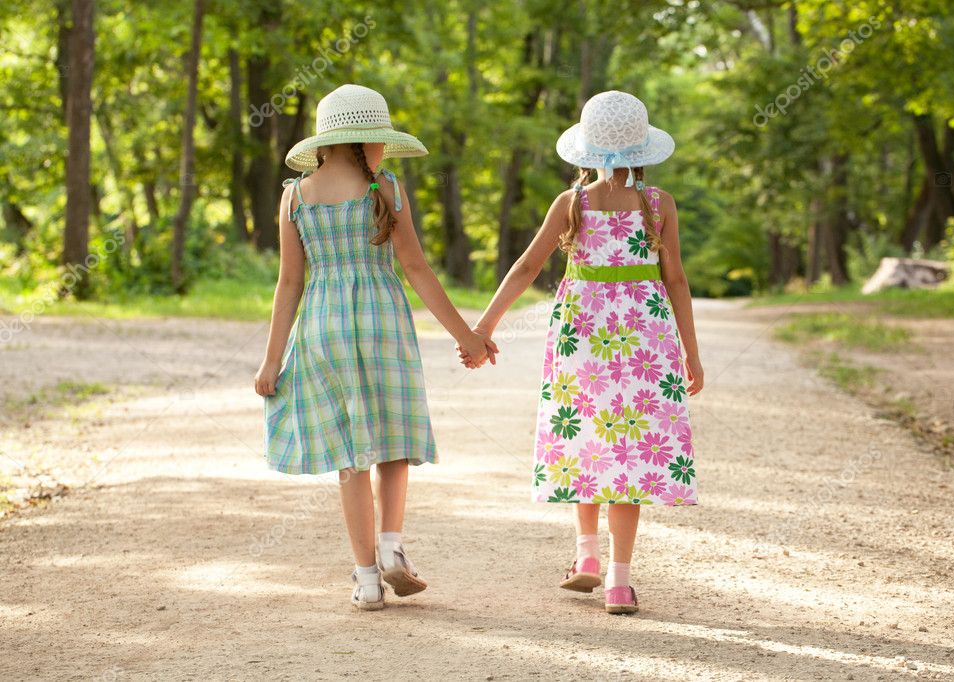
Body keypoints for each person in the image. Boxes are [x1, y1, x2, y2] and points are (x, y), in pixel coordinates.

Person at [254, 84, 496, 611]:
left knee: (350, 456)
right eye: (380, 140)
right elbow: (416, 269)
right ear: (365, 142)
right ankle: (392, 547)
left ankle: (366, 580)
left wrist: (272, 359)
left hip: (323, 330)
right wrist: (467, 336)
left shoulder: (296, 196)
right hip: (383, 323)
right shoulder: (385, 189)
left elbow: (289, 284)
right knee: (393, 440)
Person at [465, 90, 703, 615]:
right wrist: (692, 352)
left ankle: (586, 558)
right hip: (645, 337)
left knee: (589, 441)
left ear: (587, 151)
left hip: (583, 334)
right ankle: (619, 583)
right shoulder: (659, 204)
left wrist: (484, 326)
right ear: (642, 149)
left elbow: (527, 268)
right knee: (630, 453)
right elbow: (677, 279)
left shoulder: (573, 203)